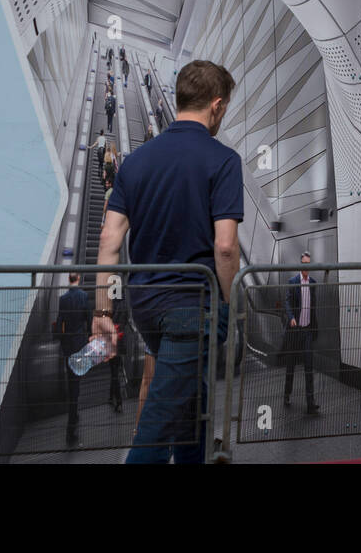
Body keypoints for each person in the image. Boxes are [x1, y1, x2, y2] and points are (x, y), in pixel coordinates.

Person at [92, 59, 242, 464]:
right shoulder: (224, 160)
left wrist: (103, 310)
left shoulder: (136, 162)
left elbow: (109, 239)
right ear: (217, 106)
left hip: (145, 305)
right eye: (223, 107)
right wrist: (228, 304)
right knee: (157, 428)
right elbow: (226, 246)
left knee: (193, 406)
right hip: (192, 306)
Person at [281, 252, 321, 413]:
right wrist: (291, 317)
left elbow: (313, 306)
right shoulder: (293, 282)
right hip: (294, 332)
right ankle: (287, 394)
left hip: (307, 332)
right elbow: (287, 302)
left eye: (309, 263)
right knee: (290, 366)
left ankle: (310, 403)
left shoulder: (313, 283)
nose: (307, 267)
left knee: (309, 367)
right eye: (304, 263)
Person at [56, 272, 92, 446]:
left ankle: (73, 417)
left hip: (68, 345)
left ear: (69, 280)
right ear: (78, 279)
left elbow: (60, 321)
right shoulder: (84, 296)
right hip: (79, 344)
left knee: (71, 381)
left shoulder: (63, 299)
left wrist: (61, 340)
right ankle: (72, 423)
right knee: (76, 383)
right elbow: (88, 318)